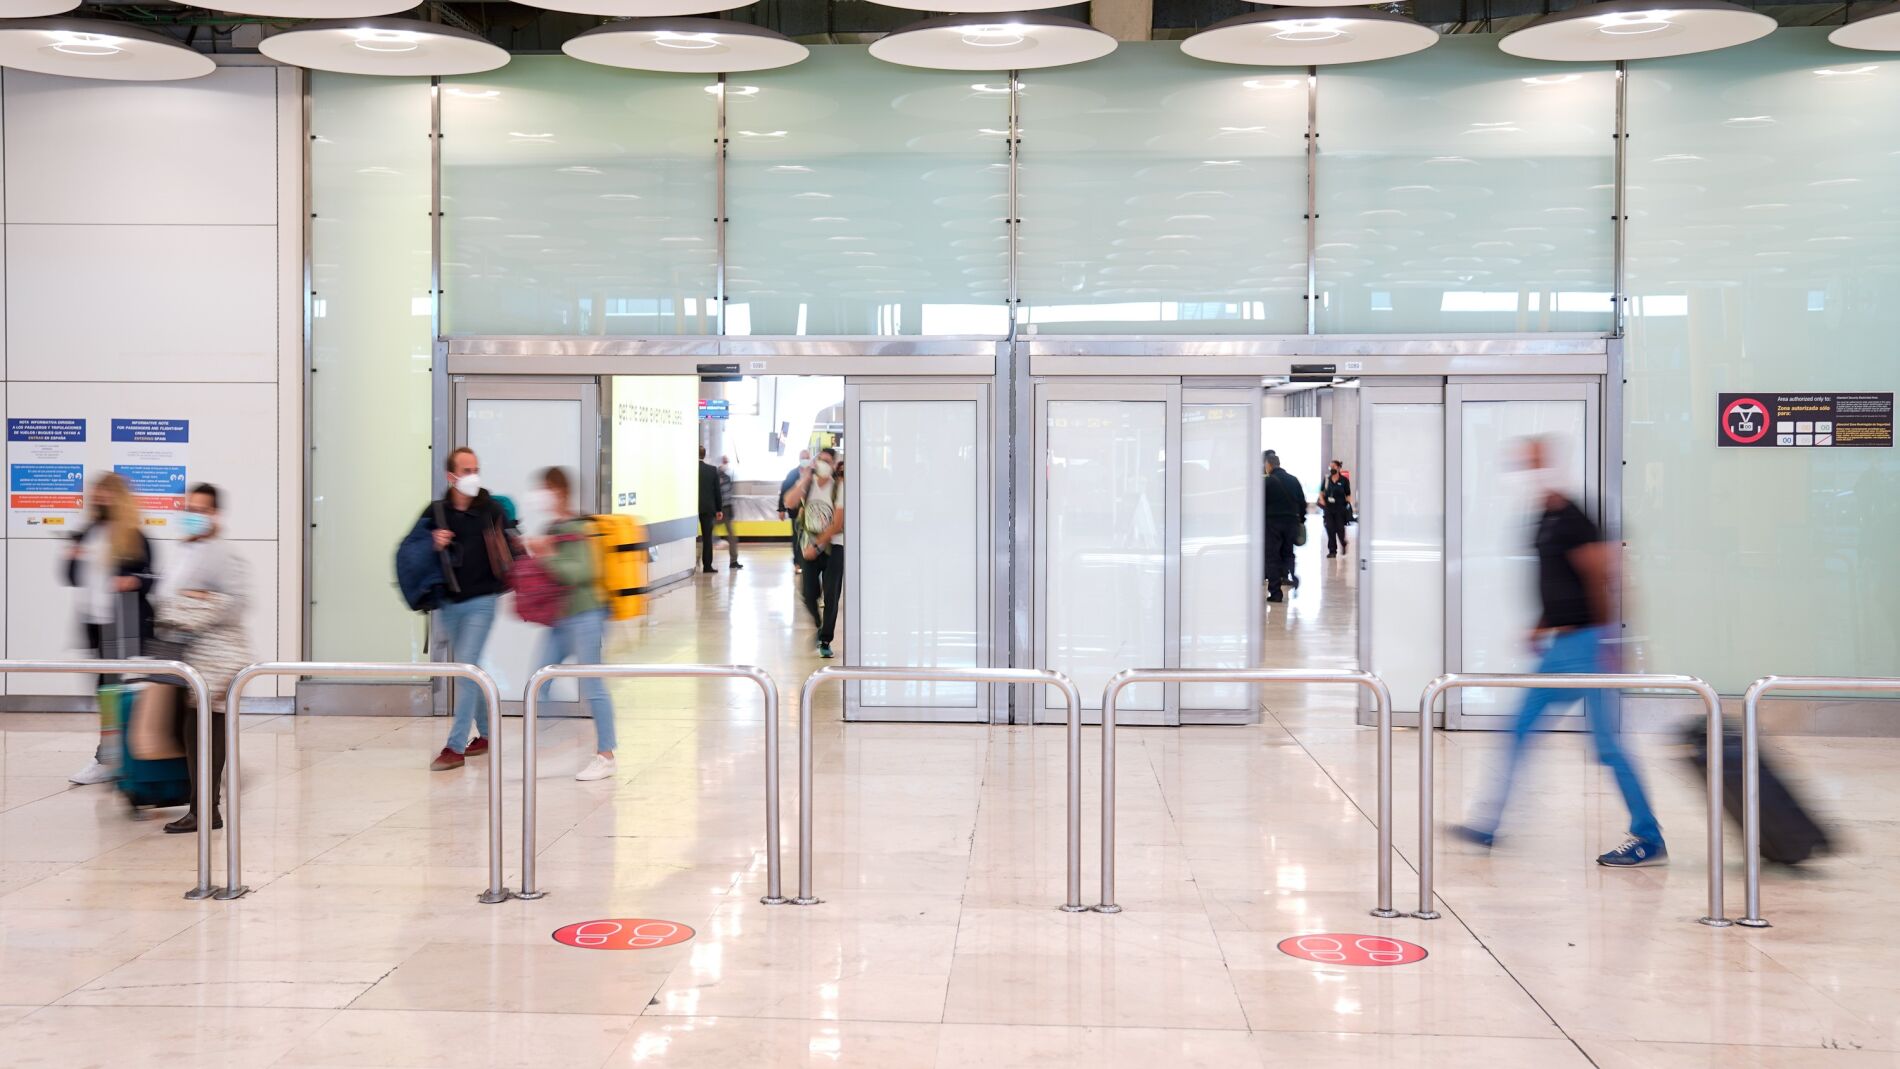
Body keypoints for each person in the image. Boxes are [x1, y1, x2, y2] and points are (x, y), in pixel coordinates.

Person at [1453, 436, 1665, 868]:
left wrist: (1610, 640)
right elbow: (1557, 580)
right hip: (1558, 649)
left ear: (1549, 465)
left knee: (1607, 745)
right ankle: (1488, 824)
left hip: (1589, 647)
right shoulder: (1541, 517)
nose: (1525, 472)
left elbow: (1605, 575)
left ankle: (1648, 835)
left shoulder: (1574, 517)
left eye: (1531, 463)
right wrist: (1541, 625)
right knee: (1517, 729)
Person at [407, 447, 516, 772]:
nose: (472, 476)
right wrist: (432, 543)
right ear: (450, 476)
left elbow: (511, 541)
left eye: (475, 469)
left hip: (482, 602)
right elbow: (410, 550)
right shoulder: (436, 511)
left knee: (466, 671)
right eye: (465, 470)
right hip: (450, 603)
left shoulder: (490, 509)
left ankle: (454, 747)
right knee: (472, 670)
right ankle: (485, 734)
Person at [152, 484, 249, 833]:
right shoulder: (187, 549)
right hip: (189, 654)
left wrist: (195, 599)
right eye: (189, 507)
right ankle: (203, 806)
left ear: (215, 514)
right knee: (190, 732)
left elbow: (237, 602)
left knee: (204, 733)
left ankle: (207, 810)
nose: (193, 514)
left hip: (216, 656)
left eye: (201, 509)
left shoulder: (221, 553)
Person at [527, 467, 618, 782]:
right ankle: (559, 741)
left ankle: (606, 755)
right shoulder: (554, 527)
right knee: (538, 680)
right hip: (562, 617)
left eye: (545, 489)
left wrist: (547, 555)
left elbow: (581, 572)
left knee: (593, 685)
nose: (540, 495)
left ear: (558, 491)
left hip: (586, 614)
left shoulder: (577, 528)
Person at [65, 472, 155, 785]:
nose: (101, 500)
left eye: (107, 495)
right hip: (96, 625)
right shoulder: (88, 532)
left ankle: (125, 756)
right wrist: (73, 555)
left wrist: (131, 581)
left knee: (125, 694)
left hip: (127, 627)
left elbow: (150, 579)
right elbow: (71, 577)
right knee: (105, 693)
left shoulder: (133, 535)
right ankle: (109, 757)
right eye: (97, 495)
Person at [784, 446, 845, 659]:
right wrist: (804, 478)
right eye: (821, 460)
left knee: (831, 594)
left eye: (828, 461)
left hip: (834, 546)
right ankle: (819, 625)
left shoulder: (839, 488)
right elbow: (789, 502)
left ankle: (825, 640)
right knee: (808, 594)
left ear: (834, 465)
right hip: (808, 545)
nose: (823, 465)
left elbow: (837, 524)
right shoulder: (808, 485)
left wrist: (818, 546)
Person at [1262, 450, 1304, 604]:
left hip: (1273, 524)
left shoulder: (1267, 482)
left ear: (1268, 465)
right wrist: (1301, 519)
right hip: (1291, 523)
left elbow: (1260, 503)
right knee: (1288, 553)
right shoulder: (1293, 480)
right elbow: (1302, 502)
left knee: (1272, 557)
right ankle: (1292, 576)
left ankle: (1276, 593)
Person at [779, 450, 811, 574]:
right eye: (803, 457)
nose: (805, 460)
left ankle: (807, 561)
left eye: (807, 457)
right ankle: (797, 563)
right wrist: (781, 509)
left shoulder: (814, 474)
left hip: (811, 513)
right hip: (796, 512)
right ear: (799, 459)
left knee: (808, 537)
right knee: (797, 538)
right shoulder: (792, 474)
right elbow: (784, 490)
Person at [697, 446, 725, 575]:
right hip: (708, 508)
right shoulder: (711, 470)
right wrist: (719, 509)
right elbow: (717, 492)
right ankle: (707, 565)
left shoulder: (689, 469)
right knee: (707, 537)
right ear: (704, 455)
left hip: (690, 508)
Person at [1318, 459, 1353, 558]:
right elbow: (1321, 492)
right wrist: (1323, 501)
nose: (1331, 469)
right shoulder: (1327, 479)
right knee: (1330, 528)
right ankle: (1332, 551)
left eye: (1333, 467)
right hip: (1328, 508)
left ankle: (1343, 543)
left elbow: (1348, 495)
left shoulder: (1344, 481)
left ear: (1338, 468)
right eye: (1330, 467)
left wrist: (1347, 505)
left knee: (1340, 529)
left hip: (1340, 509)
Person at [713, 454, 743, 571]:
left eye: (727, 462)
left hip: (726, 510)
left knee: (732, 536)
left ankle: (734, 561)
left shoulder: (727, 477)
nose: (726, 464)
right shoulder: (715, 476)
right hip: (716, 510)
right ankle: (698, 559)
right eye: (724, 461)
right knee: (708, 535)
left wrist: (731, 510)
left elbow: (729, 495)